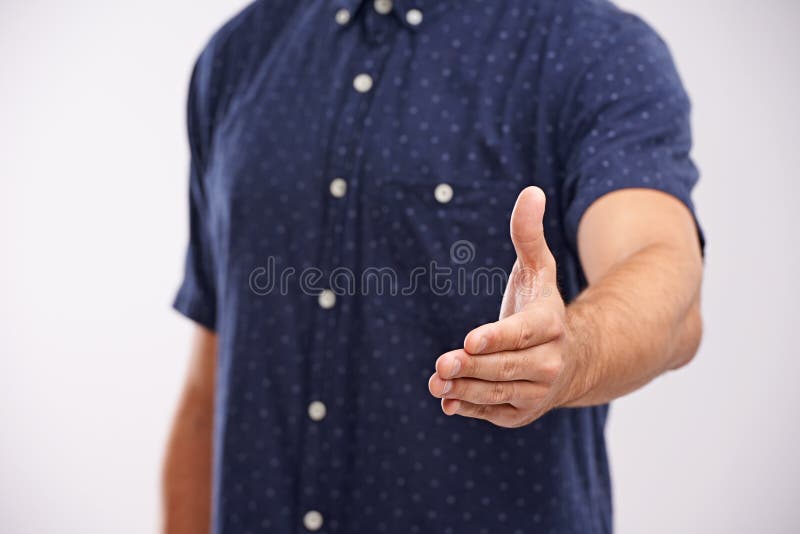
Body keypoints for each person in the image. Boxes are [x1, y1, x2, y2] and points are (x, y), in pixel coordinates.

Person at [162, 0, 705, 532]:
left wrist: (573, 353)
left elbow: (661, 272)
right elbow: (207, 394)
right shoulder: (238, 54)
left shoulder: (595, 49)